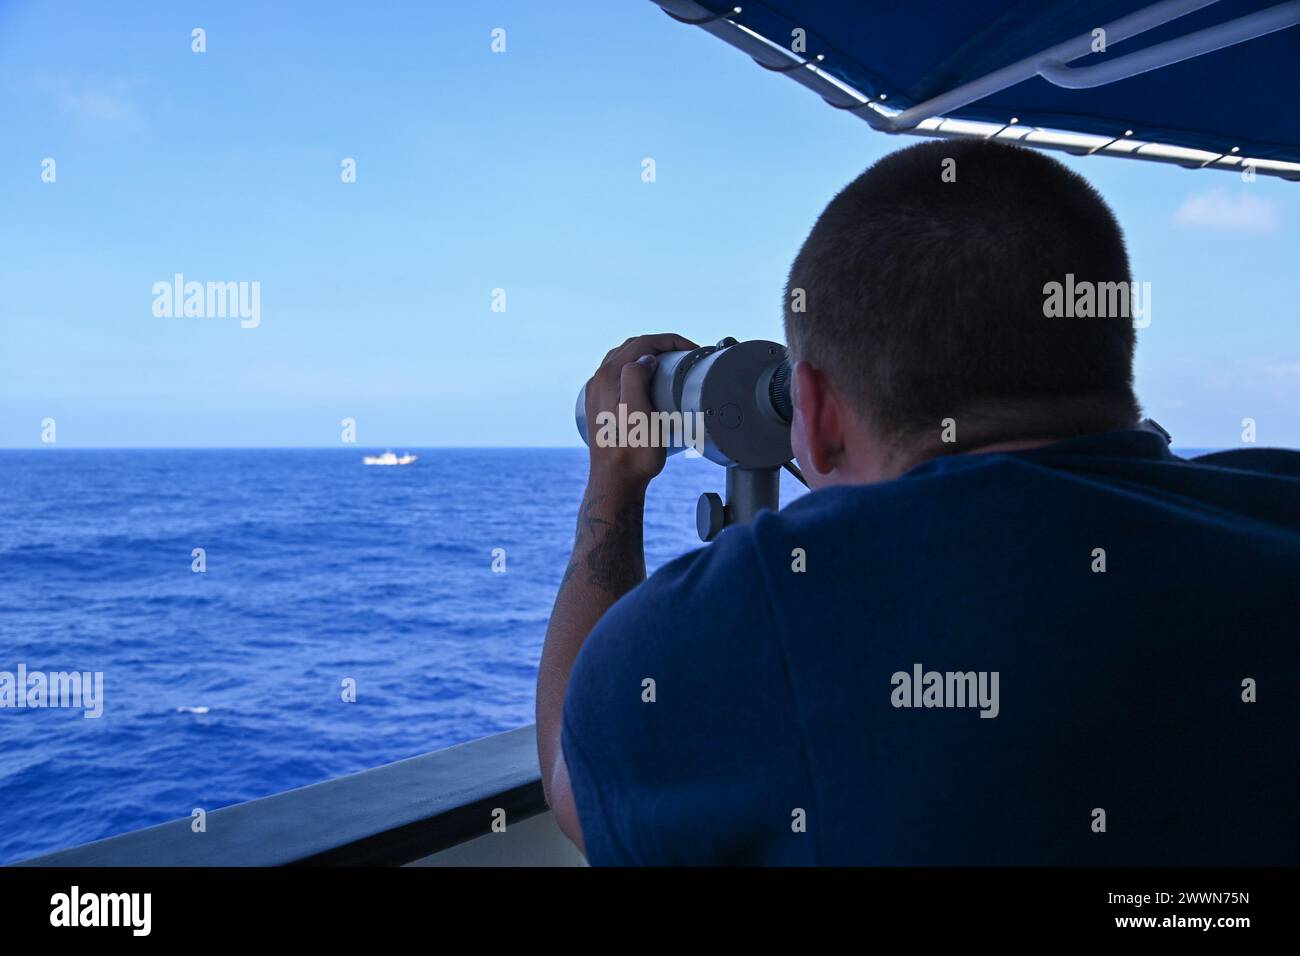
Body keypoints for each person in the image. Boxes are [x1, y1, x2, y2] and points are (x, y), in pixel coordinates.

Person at [535, 139, 1300, 865]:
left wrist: (616, 482)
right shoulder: (1277, 501)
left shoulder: (759, 616)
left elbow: (577, 792)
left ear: (817, 409)